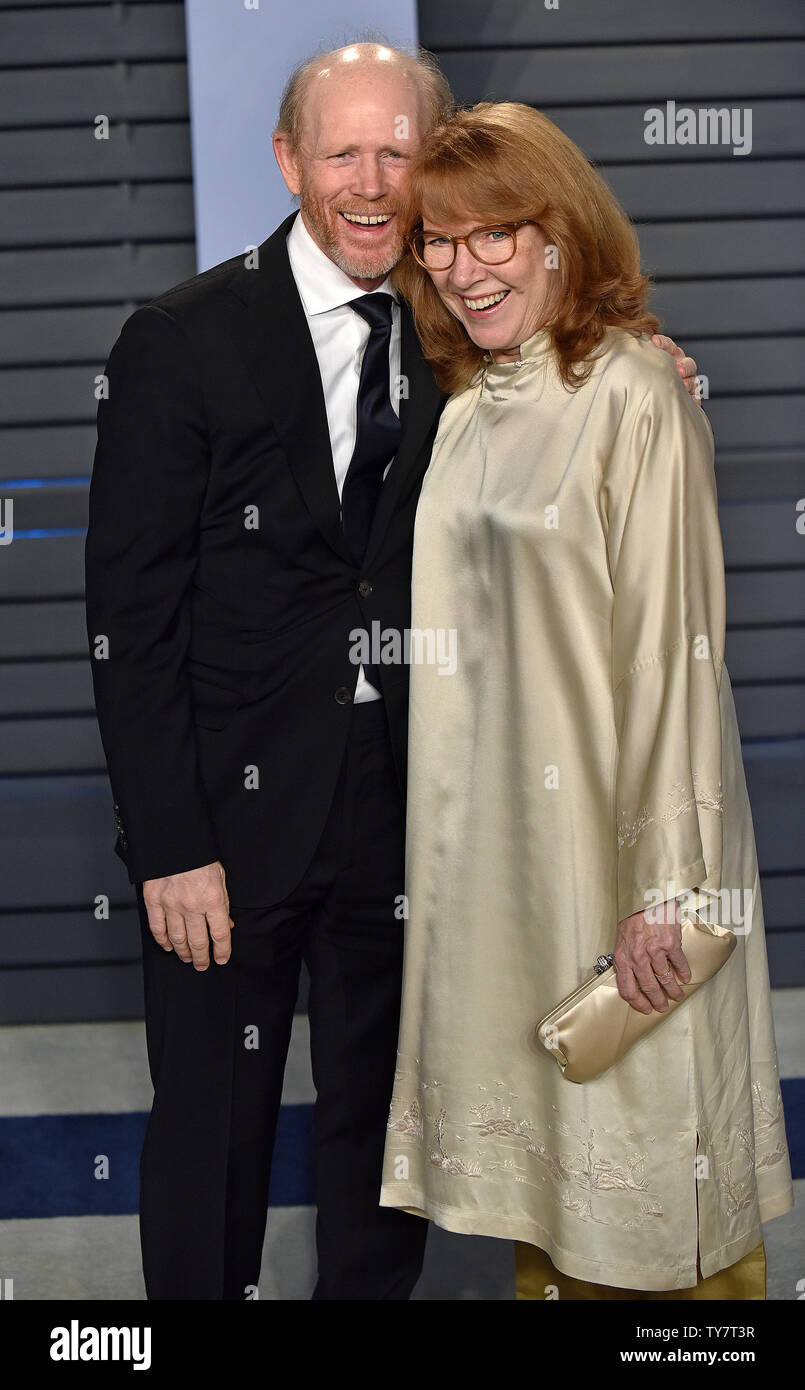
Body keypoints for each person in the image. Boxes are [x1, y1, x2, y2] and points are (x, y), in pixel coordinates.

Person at [84, 42, 699, 1301]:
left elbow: (571, 361)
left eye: (398, 152)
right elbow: (127, 620)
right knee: (212, 1137)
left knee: (383, 1140)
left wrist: (649, 353)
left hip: (407, 811)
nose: (371, 185)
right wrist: (167, 844)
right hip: (226, 822)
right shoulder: (181, 339)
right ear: (287, 161)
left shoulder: (459, 325)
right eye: (341, 152)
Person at [378, 102, 793, 1299]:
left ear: (558, 234)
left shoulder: (634, 397)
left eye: (489, 234)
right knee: (556, 1199)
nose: (458, 269)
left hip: (626, 858)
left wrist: (672, 890)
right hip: (500, 859)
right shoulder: (470, 405)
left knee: (650, 1182)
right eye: (436, 243)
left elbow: (673, 655)